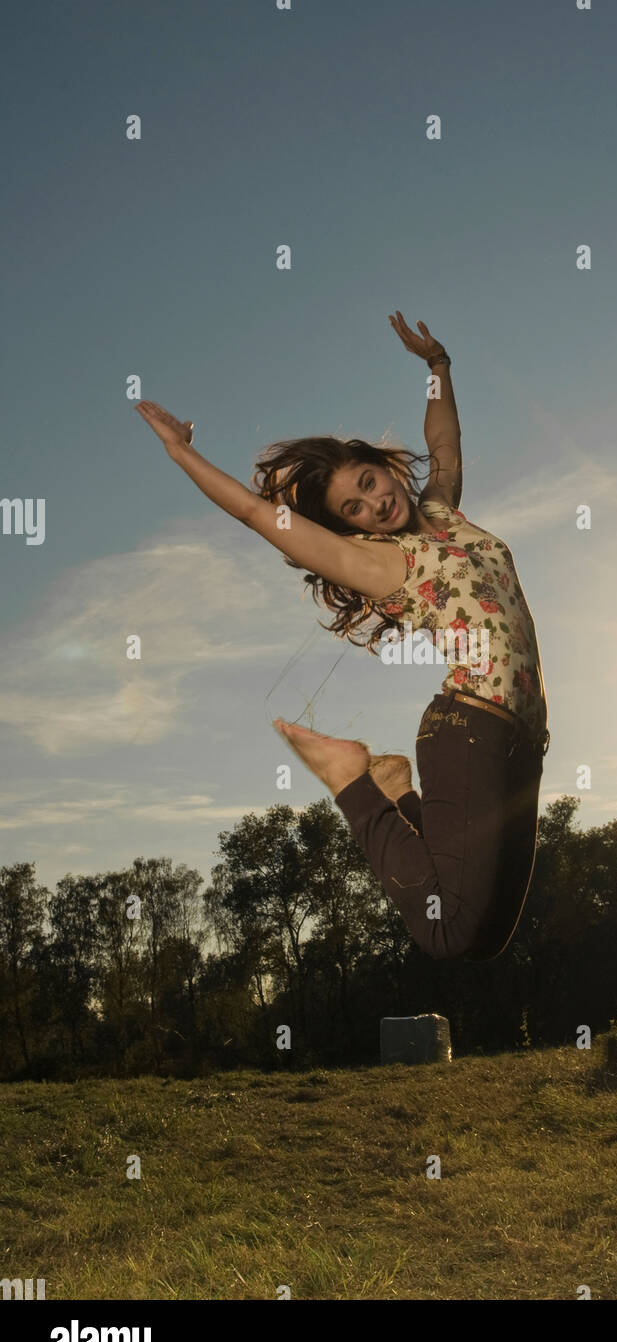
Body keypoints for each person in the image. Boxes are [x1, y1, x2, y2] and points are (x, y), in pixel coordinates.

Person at [134, 311, 549, 961]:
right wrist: (182, 451)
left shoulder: (441, 511)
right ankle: (353, 778)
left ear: (380, 465)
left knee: (486, 936)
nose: (373, 502)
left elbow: (443, 443)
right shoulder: (381, 564)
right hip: (469, 728)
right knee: (450, 933)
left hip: (521, 732)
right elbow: (255, 514)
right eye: (352, 510)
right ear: (351, 532)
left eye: (367, 482)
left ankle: (392, 789)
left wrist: (438, 369)